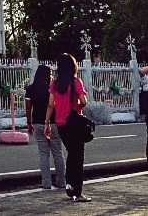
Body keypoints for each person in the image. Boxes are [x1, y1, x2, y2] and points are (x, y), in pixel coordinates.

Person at [45, 53, 91, 202]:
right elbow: (83, 102)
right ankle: (77, 191)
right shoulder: (76, 82)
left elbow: (51, 104)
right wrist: (76, 104)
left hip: (61, 125)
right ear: (73, 66)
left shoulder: (55, 84)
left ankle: (70, 186)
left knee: (71, 154)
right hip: (74, 123)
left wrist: (47, 123)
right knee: (78, 158)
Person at [25, 64, 65, 190]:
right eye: (51, 74)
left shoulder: (30, 89)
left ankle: (46, 182)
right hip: (54, 123)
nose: (52, 76)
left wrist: (29, 123)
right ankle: (61, 181)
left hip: (37, 123)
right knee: (58, 153)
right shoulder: (53, 89)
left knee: (43, 154)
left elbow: (28, 108)